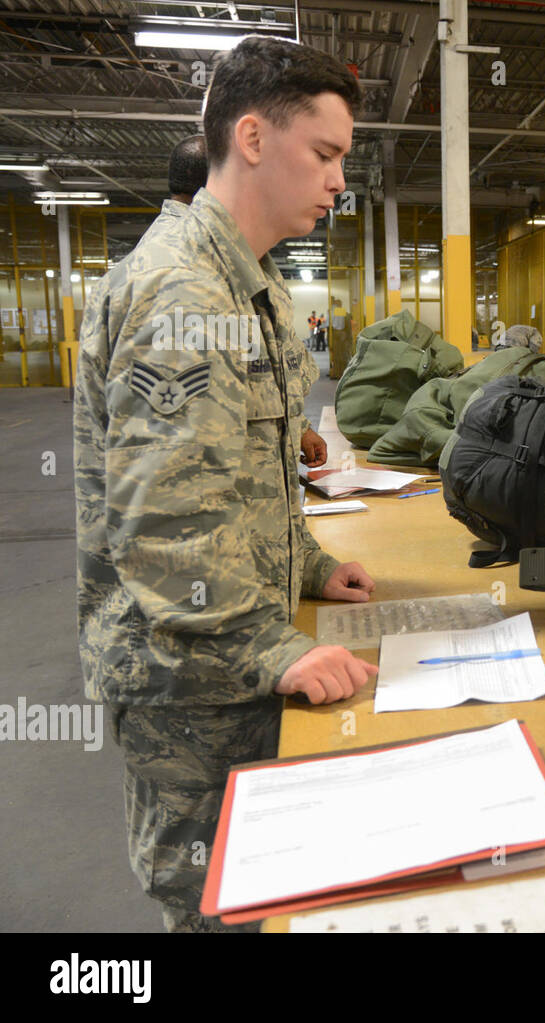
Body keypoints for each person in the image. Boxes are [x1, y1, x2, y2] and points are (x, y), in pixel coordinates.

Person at [73, 35, 377, 932]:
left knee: (260, 894)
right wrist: (273, 648)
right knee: (214, 906)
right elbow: (165, 526)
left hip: (229, 655)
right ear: (251, 138)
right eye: (323, 154)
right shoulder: (185, 296)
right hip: (188, 680)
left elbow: (246, 474)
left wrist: (311, 563)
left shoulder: (253, 285)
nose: (336, 181)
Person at [143, 134, 329, 467]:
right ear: (222, 182)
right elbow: (174, 448)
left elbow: (255, 372)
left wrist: (298, 427)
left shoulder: (234, 255)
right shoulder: (181, 271)